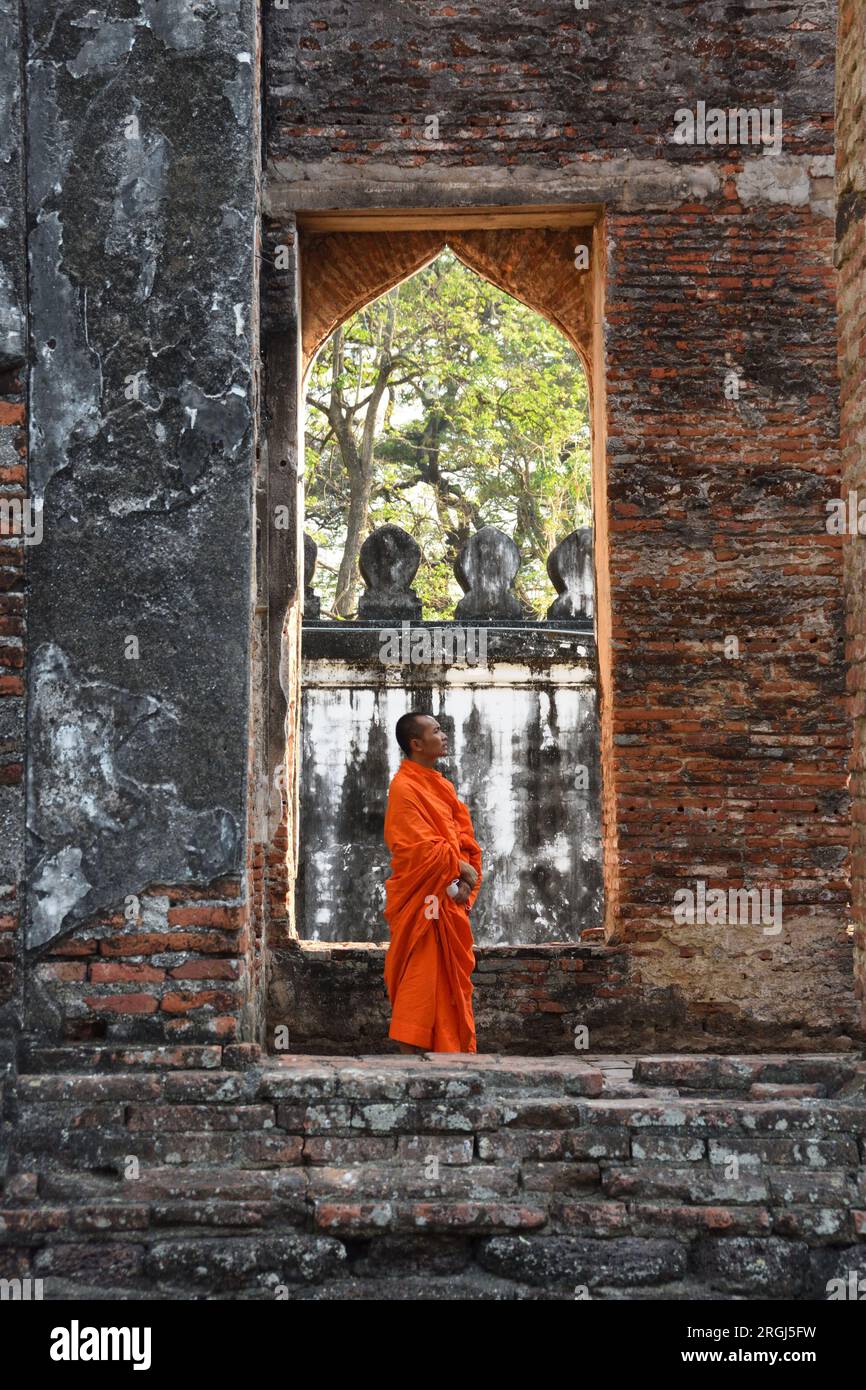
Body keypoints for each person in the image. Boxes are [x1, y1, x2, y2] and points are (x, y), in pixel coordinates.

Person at [383, 712, 482, 1053]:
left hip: (448, 898)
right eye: (437, 731)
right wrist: (457, 866)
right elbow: (413, 847)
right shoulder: (403, 787)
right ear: (416, 744)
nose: (444, 735)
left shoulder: (442, 786)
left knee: (450, 982)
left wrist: (468, 874)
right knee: (420, 978)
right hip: (423, 902)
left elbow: (463, 837)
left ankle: (449, 1052)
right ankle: (412, 1055)